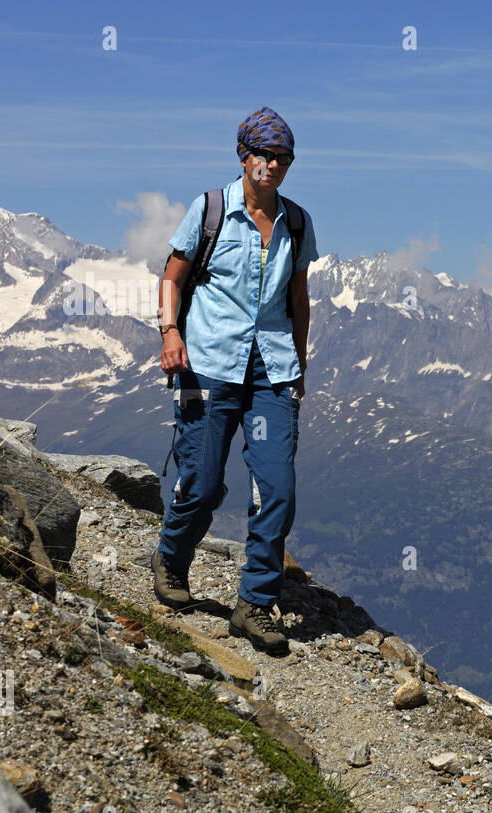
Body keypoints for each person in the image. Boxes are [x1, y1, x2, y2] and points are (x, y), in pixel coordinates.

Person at [151, 106, 318, 657]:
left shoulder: (296, 222)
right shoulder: (210, 210)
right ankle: (172, 559)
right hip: (207, 366)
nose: (271, 164)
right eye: (262, 154)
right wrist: (170, 333)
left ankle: (255, 604)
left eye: (282, 157)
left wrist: (298, 364)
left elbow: (298, 299)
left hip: (272, 373)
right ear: (243, 155)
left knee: (279, 490)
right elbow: (173, 276)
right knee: (202, 485)